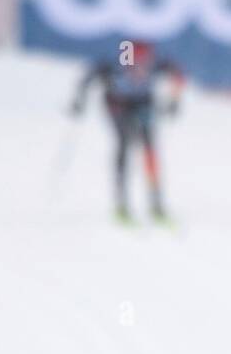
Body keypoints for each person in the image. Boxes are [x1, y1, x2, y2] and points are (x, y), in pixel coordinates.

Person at [70, 40, 184, 222]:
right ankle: (121, 202)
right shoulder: (122, 63)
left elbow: (177, 74)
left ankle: (156, 203)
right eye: (135, 66)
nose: (139, 71)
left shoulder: (153, 64)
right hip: (118, 105)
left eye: (143, 66)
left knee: (150, 149)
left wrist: (174, 100)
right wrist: (79, 99)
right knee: (124, 144)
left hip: (142, 104)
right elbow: (91, 76)